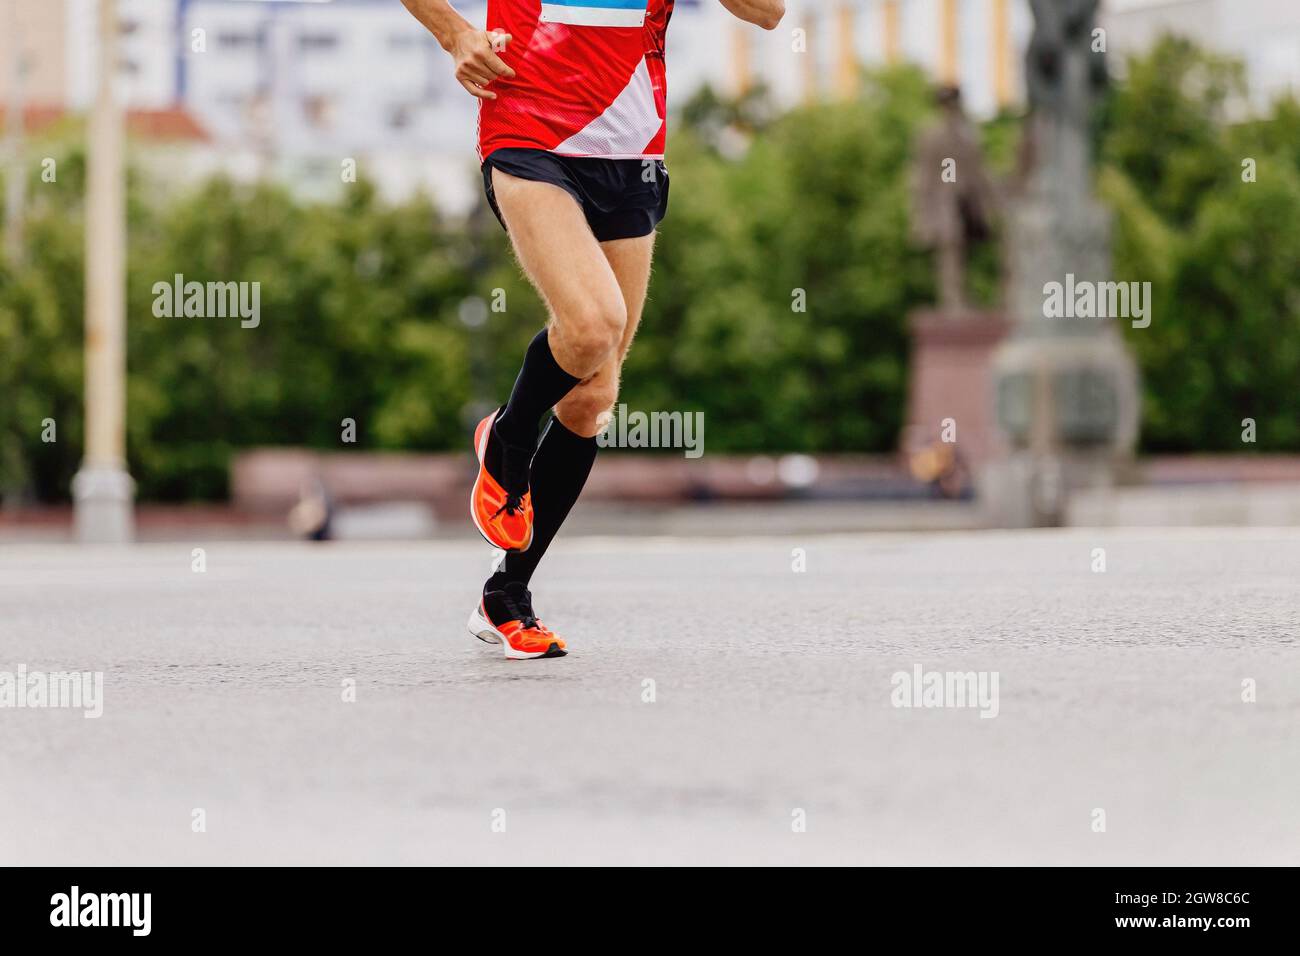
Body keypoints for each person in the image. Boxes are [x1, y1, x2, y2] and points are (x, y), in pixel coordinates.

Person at [402, 0, 786, 658]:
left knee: (592, 398)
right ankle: (509, 438)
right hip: (527, 132)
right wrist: (454, 33)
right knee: (591, 325)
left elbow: (770, 13)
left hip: (630, 151)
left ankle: (506, 593)